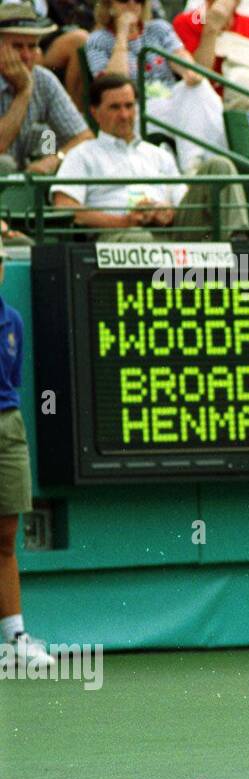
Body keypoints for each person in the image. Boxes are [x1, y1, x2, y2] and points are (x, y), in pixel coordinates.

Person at [51, 73, 249, 239]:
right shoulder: (82, 154)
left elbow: (181, 200)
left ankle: (239, 245)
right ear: (95, 112)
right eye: (115, 107)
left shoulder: (158, 153)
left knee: (219, 166)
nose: (124, 115)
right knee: (139, 238)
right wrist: (125, 222)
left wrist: (166, 211)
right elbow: (65, 208)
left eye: (129, 106)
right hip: (118, 235)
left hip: (172, 231)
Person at [85, 0, 228, 172]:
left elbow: (185, 63)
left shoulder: (159, 28)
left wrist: (188, 71)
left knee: (199, 88)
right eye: (123, 0)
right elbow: (114, 84)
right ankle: (197, 169)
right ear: (110, 5)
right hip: (134, 108)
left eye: (138, 0)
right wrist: (122, 34)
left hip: (169, 102)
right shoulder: (97, 40)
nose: (132, 4)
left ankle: (198, 166)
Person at [0, 236, 56, 672]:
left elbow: (12, 384)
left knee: (5, 535)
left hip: (7, 426)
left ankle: (15, 637)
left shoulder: (13, 322)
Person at [0, 3, 91, 174]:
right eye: (17, 47)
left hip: (32, 175)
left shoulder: (43, 79)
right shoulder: (31, 82)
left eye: (32, 46)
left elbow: (83, 137)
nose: (27, 56)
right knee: (3, 164)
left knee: (48, 136)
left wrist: (55, 159)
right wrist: (24, 91)